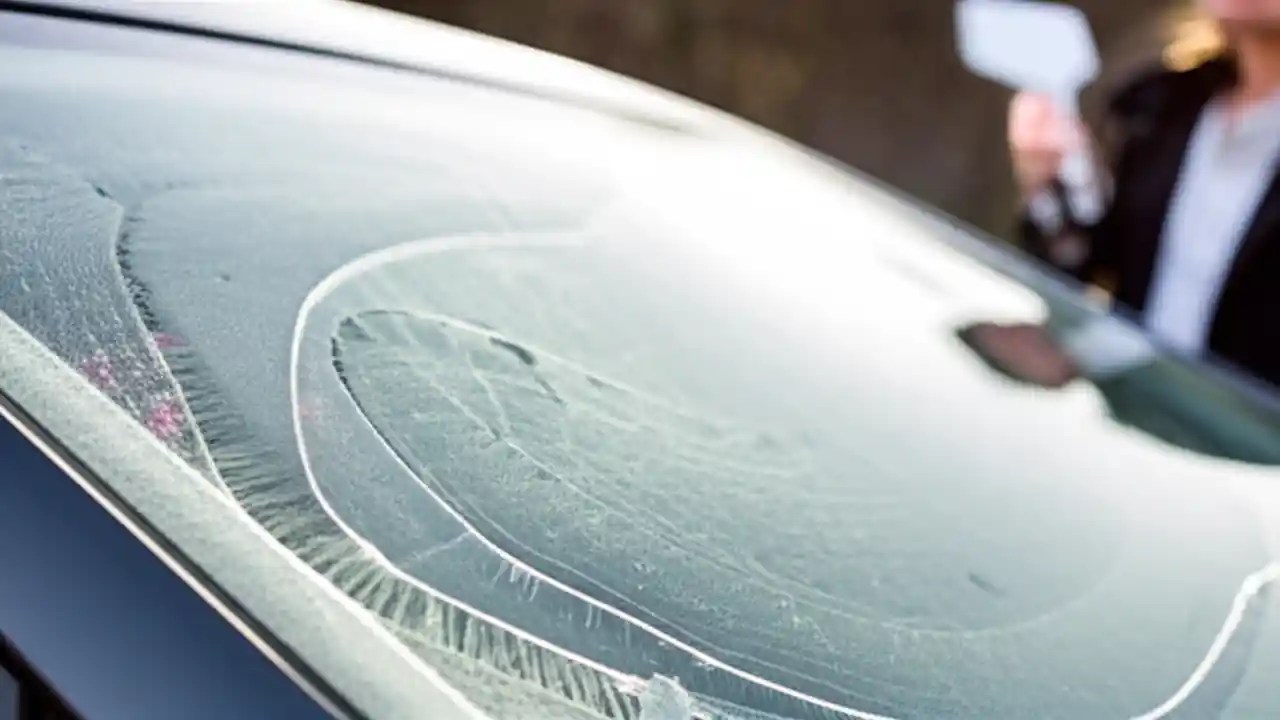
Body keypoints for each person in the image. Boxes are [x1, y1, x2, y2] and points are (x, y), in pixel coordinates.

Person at [1007, 0, 1280, 389]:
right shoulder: (1163, 105)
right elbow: (1088, 267)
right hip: (1133, 417)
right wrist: (1050, 186)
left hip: (1249, 442)